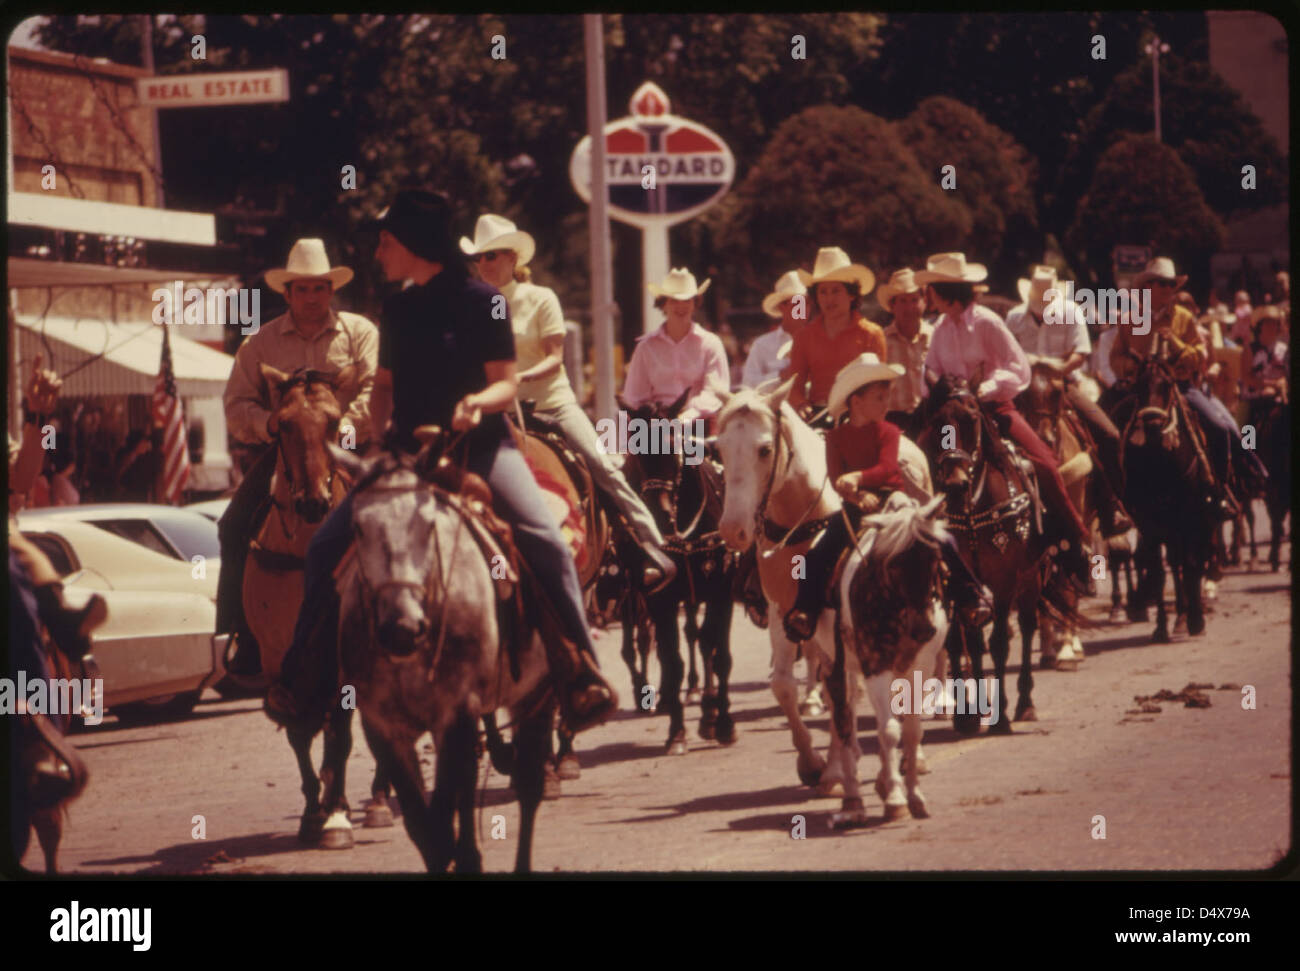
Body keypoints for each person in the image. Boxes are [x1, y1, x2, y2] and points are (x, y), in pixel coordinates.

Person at [266, 189, 618, 733]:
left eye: (386, 241)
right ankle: (301, 678)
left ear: (414, 243)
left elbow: (504, 386)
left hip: (481, 448)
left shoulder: (486, 302)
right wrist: (382, 439)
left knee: (544, 538)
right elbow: (383, 386)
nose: (379, 252)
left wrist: (475, 403)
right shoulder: (399, 307)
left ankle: (579, 669)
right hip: (408, 455)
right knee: (326, 547)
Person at [462, 212, 675, 592]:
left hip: (550, 406)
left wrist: (521, 377)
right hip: (501, 412)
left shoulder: (540, 298)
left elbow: (554, 356)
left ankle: (651, 545)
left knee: (603, 466)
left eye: (491, 256)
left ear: (513, 258)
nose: (483, 264)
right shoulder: (473, 306)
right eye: (479, 258)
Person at [216, 239, 379, 683]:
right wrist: (270, 424)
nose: (311, 297)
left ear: (331, 290)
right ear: (287, 294)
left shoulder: (360, 333)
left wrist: (346, 429)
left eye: (319, 288)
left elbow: (375, 388)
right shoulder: (259, 343)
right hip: (285, 453)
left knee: (400, 520)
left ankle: (412, 622)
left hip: (351, 450)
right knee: (232, 525)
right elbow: (234, 406)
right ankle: (242, 636)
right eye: (302, 289)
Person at [782, 354, 992, 642]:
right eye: (880, 398)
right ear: (857, 403)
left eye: (887, 397)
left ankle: (970, 596)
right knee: (816, 554)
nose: (886, 404)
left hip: (895, 502)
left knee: (941, 538)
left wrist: (858, 479)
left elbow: (887, 468)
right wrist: (855, 497)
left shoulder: (890, 432)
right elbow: (834, 476)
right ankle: (805, 610)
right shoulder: (835, 438)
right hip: (854, 508)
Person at [917, 252, 1093, 590]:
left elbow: (1018, 368)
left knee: (1044, 462)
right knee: (918, 457)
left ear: (944, 291)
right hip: (955, 418)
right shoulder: (940, 327)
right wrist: (937, 383)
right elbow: (932, 367)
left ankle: (1075, 541)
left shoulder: (986, 322)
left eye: (931, 291)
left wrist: (985, 387)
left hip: (994, 409)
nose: (929, 297)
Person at [1111, 257, 1266, 518]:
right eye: (1162, 283)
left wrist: (1175, 344)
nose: (1168, 289)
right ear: (1147, 286)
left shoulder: (1184, 318)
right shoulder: (1130, 320)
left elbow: (1199, 356)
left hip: (1179, 387)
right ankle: (1111, 500)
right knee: (1104, 428)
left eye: (1171, 284)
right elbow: (1116, 355)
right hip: (1139, 390)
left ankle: (1221, 491)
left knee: (1220, 427)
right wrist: (1128, 365)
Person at [1005, 265, 1132, 538]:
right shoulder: (1014, 317)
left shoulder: (1071, 312)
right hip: (1022, 389)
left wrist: (1056, 371)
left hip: (1062, 384)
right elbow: (1006, 354)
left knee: (1108, 434)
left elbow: (1081, 354)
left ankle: (1111, 508)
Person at [783, 247, 886, 419]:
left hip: (860, 418)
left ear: (852, 294)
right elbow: (795, 386)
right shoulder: (804, 337)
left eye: (836, 291)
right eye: (823, 292)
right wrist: (801, 404)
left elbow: (880, 389)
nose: (829, 299)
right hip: (816, 416)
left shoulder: (872, 334)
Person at [622, 268, 731, 427]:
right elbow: (635, 396)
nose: (681, 306)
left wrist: (688, 416)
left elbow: (716, 392)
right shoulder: (645, 347)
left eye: (687, 300)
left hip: (700, 423)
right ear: (663, 304)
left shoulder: (710, 343)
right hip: (656, 426)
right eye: (674, 300)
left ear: (695, 304)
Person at [876, 267, 933, 437]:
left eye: (914, 300)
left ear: (924, 302)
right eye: (902, 301)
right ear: (892, 305)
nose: (909, 307)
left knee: (949, 450)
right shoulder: (880, 341)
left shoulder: (936, 337)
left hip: (932, 418)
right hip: (894, 420)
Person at [741, 271, 807, 389]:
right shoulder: (762, 345)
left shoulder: (819, 340)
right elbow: (748, 384)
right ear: (782, 306)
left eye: (806, 303)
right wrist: (779, 375)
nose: (803, 309)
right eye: (797, 304)